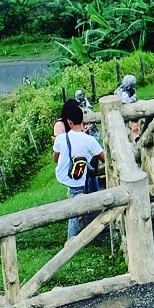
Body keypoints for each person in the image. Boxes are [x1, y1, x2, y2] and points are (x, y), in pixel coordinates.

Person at [53, 99, 105, 239]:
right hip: (79, 177)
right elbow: (103, 157)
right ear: (82, 120)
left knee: (75, 205)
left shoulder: (61, 139)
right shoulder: (89, 140)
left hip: (64, 175)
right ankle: (74, 236)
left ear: (69, 122)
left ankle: (74, 236)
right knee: (76, 207)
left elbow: (55, 157)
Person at [116, 74, 142, 141]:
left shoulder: (130, 91)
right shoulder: (122, 93)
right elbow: (126, 102)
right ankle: (134, 134)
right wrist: (133, 99)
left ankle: (136, 133)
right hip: (125, 111)